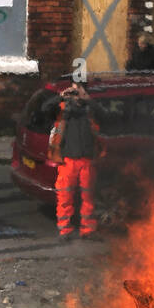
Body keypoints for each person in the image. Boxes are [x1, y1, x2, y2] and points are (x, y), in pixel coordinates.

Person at [47, 82, 106, 238]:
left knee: (88, 196)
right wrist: (60, 96)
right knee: (65, 197)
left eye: (78, 90)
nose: (75, 93)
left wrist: (88, 100)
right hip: (68, 160)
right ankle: (65, 230)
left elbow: (106, 116)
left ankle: (88, 229)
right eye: (73, 90)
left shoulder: (90, 109)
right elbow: (44, 109)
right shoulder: (63, 109)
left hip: (87, 159)